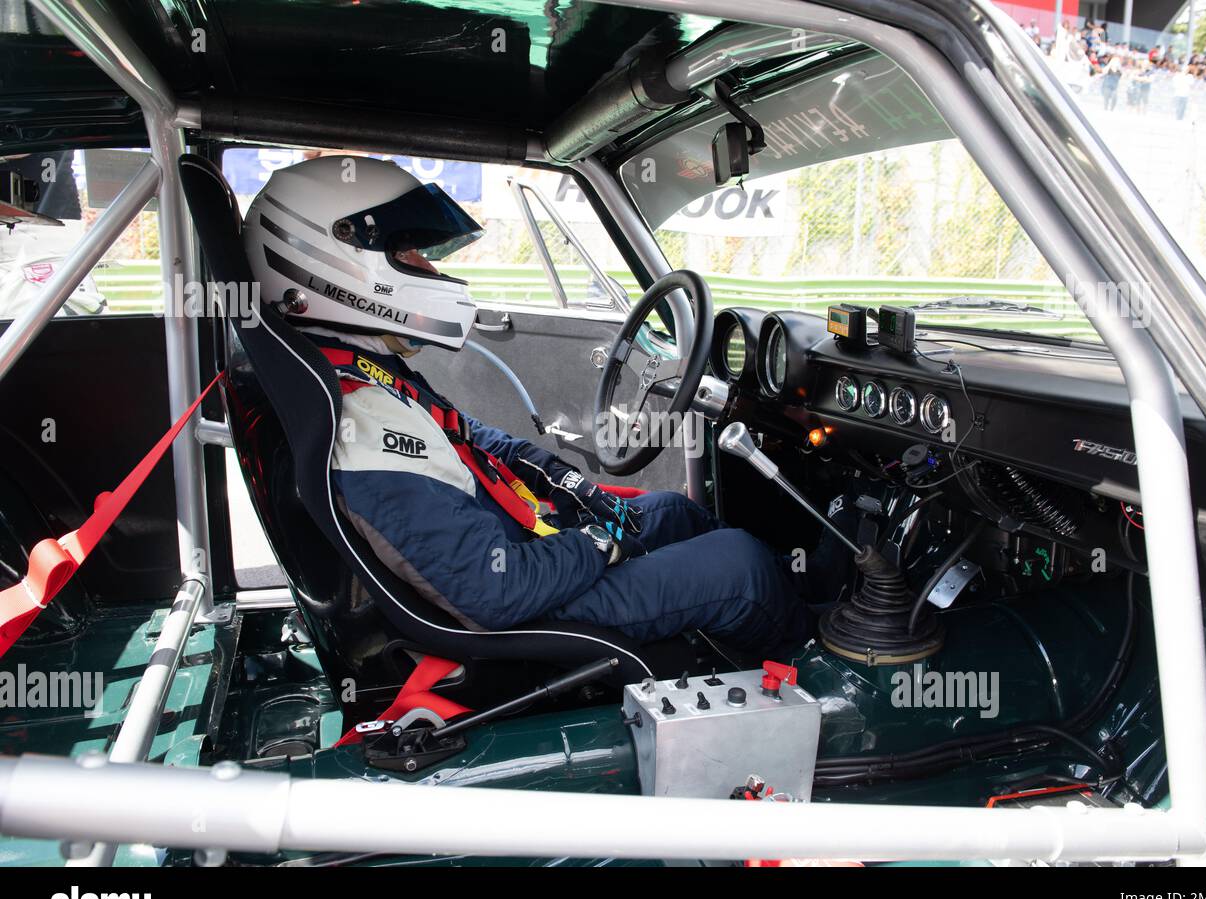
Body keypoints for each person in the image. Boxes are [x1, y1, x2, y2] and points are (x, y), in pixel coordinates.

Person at [241, 156, 826, 657]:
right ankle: (821, 673)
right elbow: (492, 592)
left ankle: (768, 613)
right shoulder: (359, 419)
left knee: (673, 510)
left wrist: (573, 485)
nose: (431, 267)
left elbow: (471, 438)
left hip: (528, 551)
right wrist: (604, 540)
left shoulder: (354, 370)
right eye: (409, 252)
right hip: (524, 613)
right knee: (740, 567)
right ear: (332, 263)